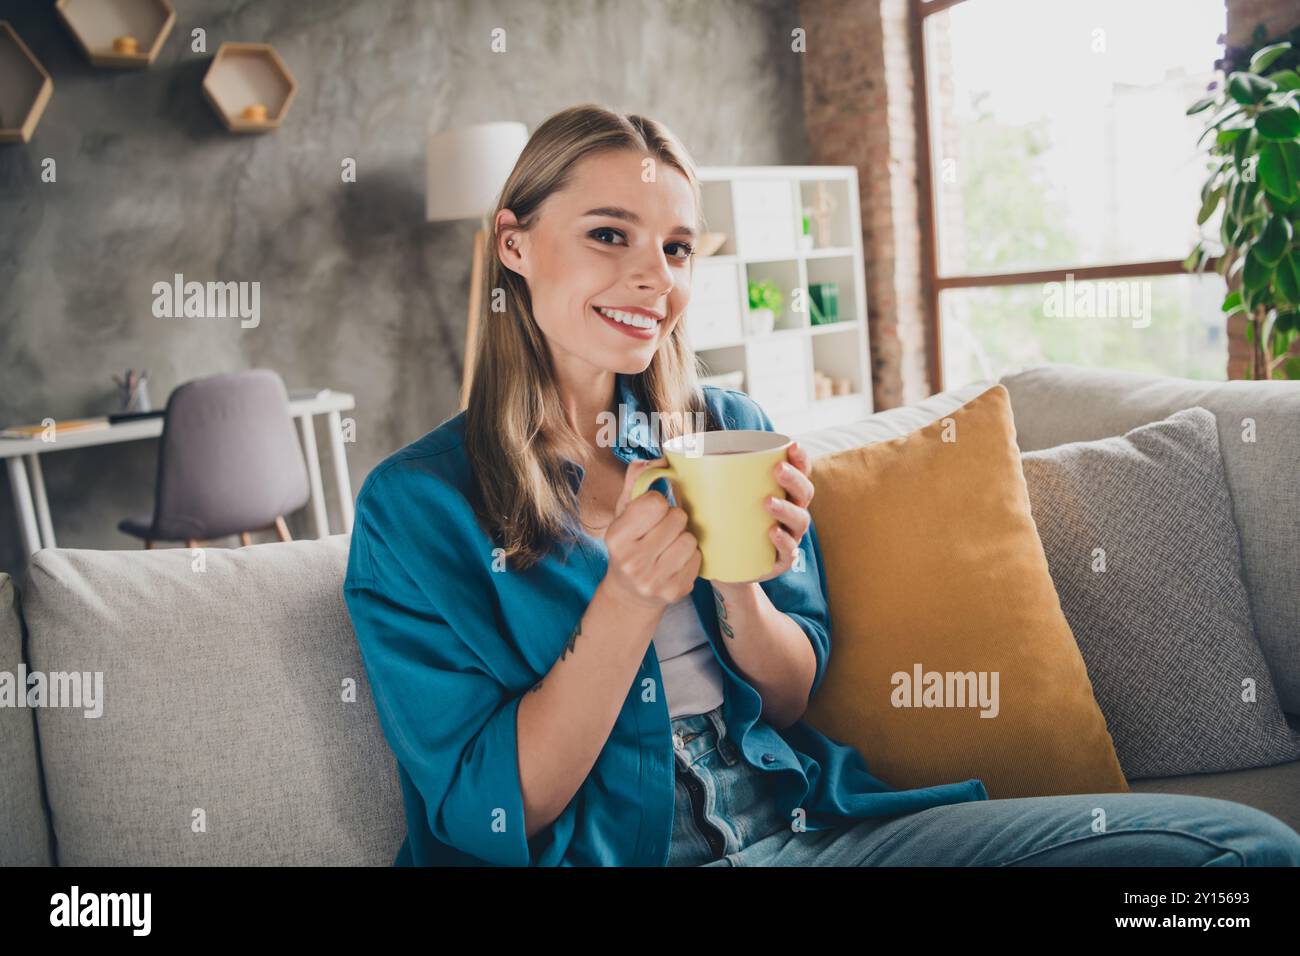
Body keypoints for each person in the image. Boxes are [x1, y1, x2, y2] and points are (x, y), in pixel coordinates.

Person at [341, 104, 1300, 867]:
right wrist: (626, 603)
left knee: (1236, 854)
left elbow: (791, 696)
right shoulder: (415, 507)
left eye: (676, 248)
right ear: (514, 245)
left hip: (803, 828)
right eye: (608, 235)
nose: (653, 280)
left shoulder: (729, 429)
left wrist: (742, 579)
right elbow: (492, 815)